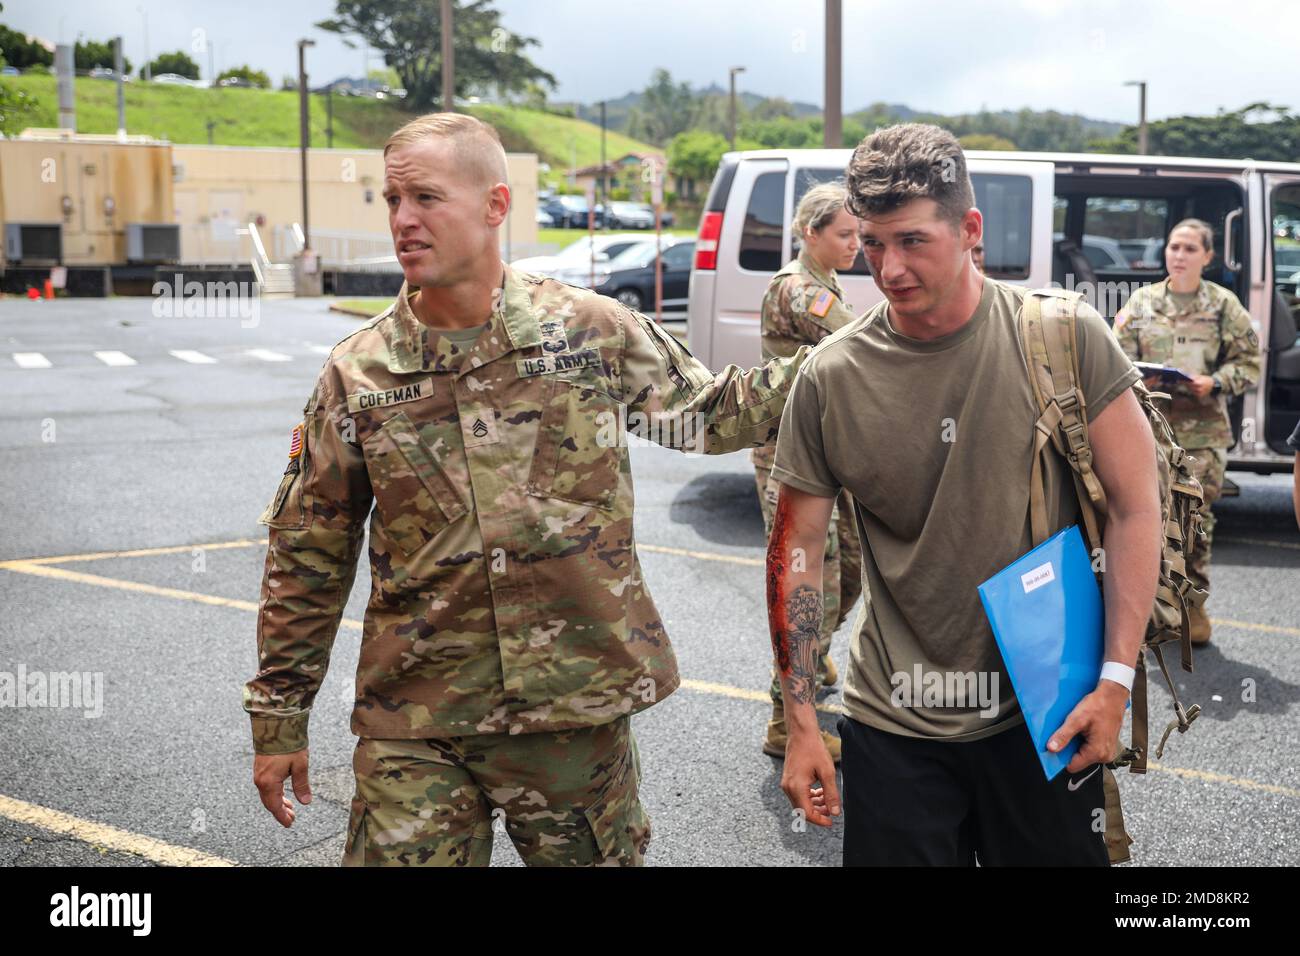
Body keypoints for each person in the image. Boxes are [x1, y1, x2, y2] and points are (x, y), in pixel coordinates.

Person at [244, 112, 809, 867]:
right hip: (419, 719)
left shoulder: (591, 332)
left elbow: (710, 418)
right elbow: (309, 554)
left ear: (495, 206)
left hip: (573, 715)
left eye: (426, 198)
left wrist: (856, 355)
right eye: (391, 200)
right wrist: (280, 718)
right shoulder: (359, 373)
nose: (403, 219)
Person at [766, 123, 1163, 865]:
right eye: (872, 244)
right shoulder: (830, 376)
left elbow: (1138, 506)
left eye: (912, 241)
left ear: (971, 230)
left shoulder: (1063, 336)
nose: (888, 269)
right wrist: (800, 722)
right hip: (892, 722)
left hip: (1044, 710)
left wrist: (1114, 683)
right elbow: (798, 550)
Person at [754, 182, 864, 764]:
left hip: (828, 453)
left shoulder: (824, 282)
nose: (857, 245)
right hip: (791, 461)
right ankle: (783, 720)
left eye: (857, 234)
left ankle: (812, 653)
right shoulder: (800, 290)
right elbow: (863, 341)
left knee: (850, 579)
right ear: (810, 233)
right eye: (845, 234)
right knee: (807, 593)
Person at [1113, 219, 1261, 644]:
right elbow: (1114, 361)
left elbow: (1249, 363)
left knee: (1196, 522)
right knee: (1146, 520)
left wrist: (1214, 382)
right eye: (1174, 247)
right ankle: (1151, 608)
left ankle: (1192, 609)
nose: (1178, 255)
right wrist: (1142, 380)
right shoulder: (1140, 303)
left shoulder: (1224, 305)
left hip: (1203, 433)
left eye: (1190, 249)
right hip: (1148, 432)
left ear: (1207, 257)